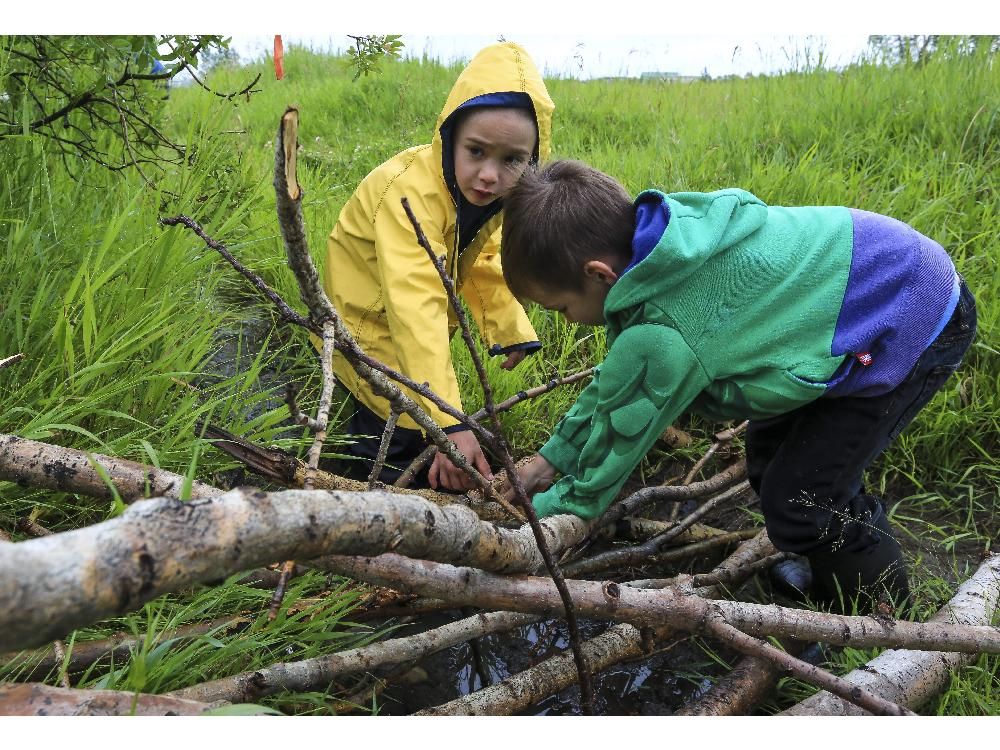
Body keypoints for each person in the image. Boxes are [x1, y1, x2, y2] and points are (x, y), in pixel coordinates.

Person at [499, 159, 977, 613]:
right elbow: (619, 385)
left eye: (560, 308)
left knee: (805, 497)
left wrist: (546, 514)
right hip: (870, 285)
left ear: (599, 274)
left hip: (910, 319)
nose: (567, 320)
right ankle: (832, 568)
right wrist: (550, 460)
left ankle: (881, 616)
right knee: (770, 460)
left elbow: (612, 449)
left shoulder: (670, 327)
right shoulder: (664, 248)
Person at [322, 42, 555, 490]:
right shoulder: (410, 194)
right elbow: (415, 306)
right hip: (366, 318)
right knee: (393, 411)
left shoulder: (481, 196)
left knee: (423, 405)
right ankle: (376, 488)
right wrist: (451, 423)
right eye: (476, 151)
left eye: (512, 160)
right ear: (450, 137)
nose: (490, 175)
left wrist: (509, 328)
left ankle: (428, 463)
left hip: (406, 318)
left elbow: (483, 259)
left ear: (533, 158)